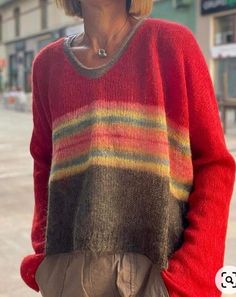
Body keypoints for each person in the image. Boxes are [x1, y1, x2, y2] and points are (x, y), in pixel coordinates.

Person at [20, 0, 236, 296]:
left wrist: (194, 273)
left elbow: (214, 163)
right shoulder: (47, 65)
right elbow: (43, 164)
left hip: (160, 271)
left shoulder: (172, 45)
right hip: (69, 273)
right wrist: (46, 258)